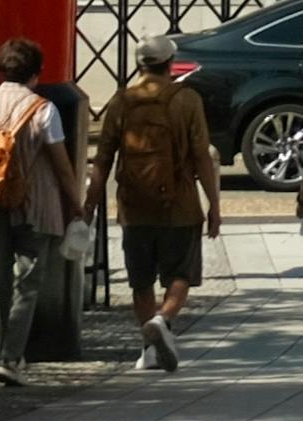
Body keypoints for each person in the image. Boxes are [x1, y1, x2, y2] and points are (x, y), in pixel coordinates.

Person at [85, 52, 221, 372]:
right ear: (169, 63)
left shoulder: (122, 101)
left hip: (134, 206)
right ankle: (163, 319)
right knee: (181, 273)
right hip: (181, 203)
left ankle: (147, 350)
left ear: (139, 64)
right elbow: (202, 155)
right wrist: (214, 205)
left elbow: (103, 158)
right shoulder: (187, 99)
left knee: (140, 279)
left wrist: (90, 203)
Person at [0, 36, 82, 385]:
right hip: (35, 206)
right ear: (36, 72)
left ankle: (5, 354)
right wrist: (75, 204)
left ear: (2, 68)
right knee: (28, 284)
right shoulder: (44, 109)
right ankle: (10, 359)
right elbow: (61, 165)